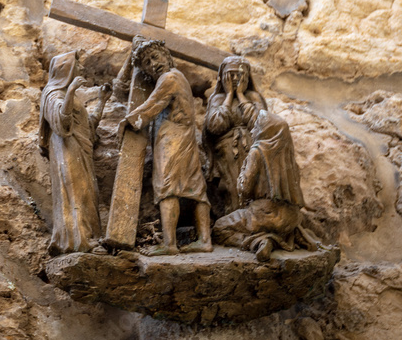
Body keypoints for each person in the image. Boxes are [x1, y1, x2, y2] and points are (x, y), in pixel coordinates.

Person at [121, 38, 212, 255]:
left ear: (166, 55)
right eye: (146, 63)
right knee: (195, 188)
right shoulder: (176, 77)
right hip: (182, 137)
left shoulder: (170, 78)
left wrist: (128, 120)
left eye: (155, 57)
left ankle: (170, 244)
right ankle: (205, 240)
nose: (153, 64)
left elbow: (152, 105)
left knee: (167, 187)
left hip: (173, 140)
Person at [213, 106, 320, 261]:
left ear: (266, 130)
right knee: (280, 226)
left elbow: (245, 188)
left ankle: (259, 242)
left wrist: (242, 175)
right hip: (291, 217)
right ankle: (285, 236)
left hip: (263, 215)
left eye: (256, 126)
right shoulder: (287, 153)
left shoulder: (257, 151)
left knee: (220, 228)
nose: (252, 131)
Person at [39, 51, 106, 255]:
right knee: (75, 193)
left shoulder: (70, 95)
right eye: (78, 65)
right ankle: (80, 240)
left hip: (81, 150)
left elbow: (88, 127)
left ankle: (89, 236)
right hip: (66, 150)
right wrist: (70, 92)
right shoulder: (52, 94)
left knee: (87, 193)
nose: (82, 69)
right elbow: (61, 123)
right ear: (66, 69)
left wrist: (102, 101)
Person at [204, 56, 268, 214]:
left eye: (238, 75)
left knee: (254, 186)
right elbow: (214, 126)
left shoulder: (253, 97)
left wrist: (240, 95)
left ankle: (254, 220)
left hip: (253, 149)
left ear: (246, 76)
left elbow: (259, 123)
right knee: (233, 187)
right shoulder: (218, 99)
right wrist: (228, 96)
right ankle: (234, 220)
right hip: (227, 153)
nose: (234, 79)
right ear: (223, 77)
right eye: (230, 75)